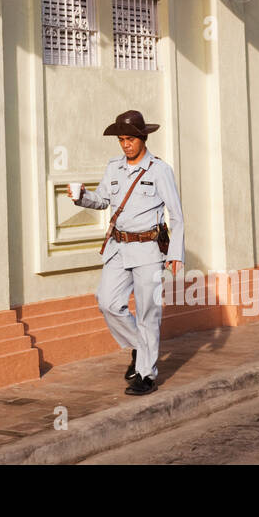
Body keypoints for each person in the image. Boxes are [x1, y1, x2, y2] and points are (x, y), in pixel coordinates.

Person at [68, 109, 183, 396]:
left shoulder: (159, 170)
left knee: (147, 313)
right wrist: (82, 196)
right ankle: (138, 348)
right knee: (107, 301)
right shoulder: (113, 168)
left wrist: (176, 254)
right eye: (121, 140)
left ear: (143, 138)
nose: (125, 145)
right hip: (118, 249)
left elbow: (177, 215)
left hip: (148, 250)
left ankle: (146, 374)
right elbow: (103, 200)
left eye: (130, 139)